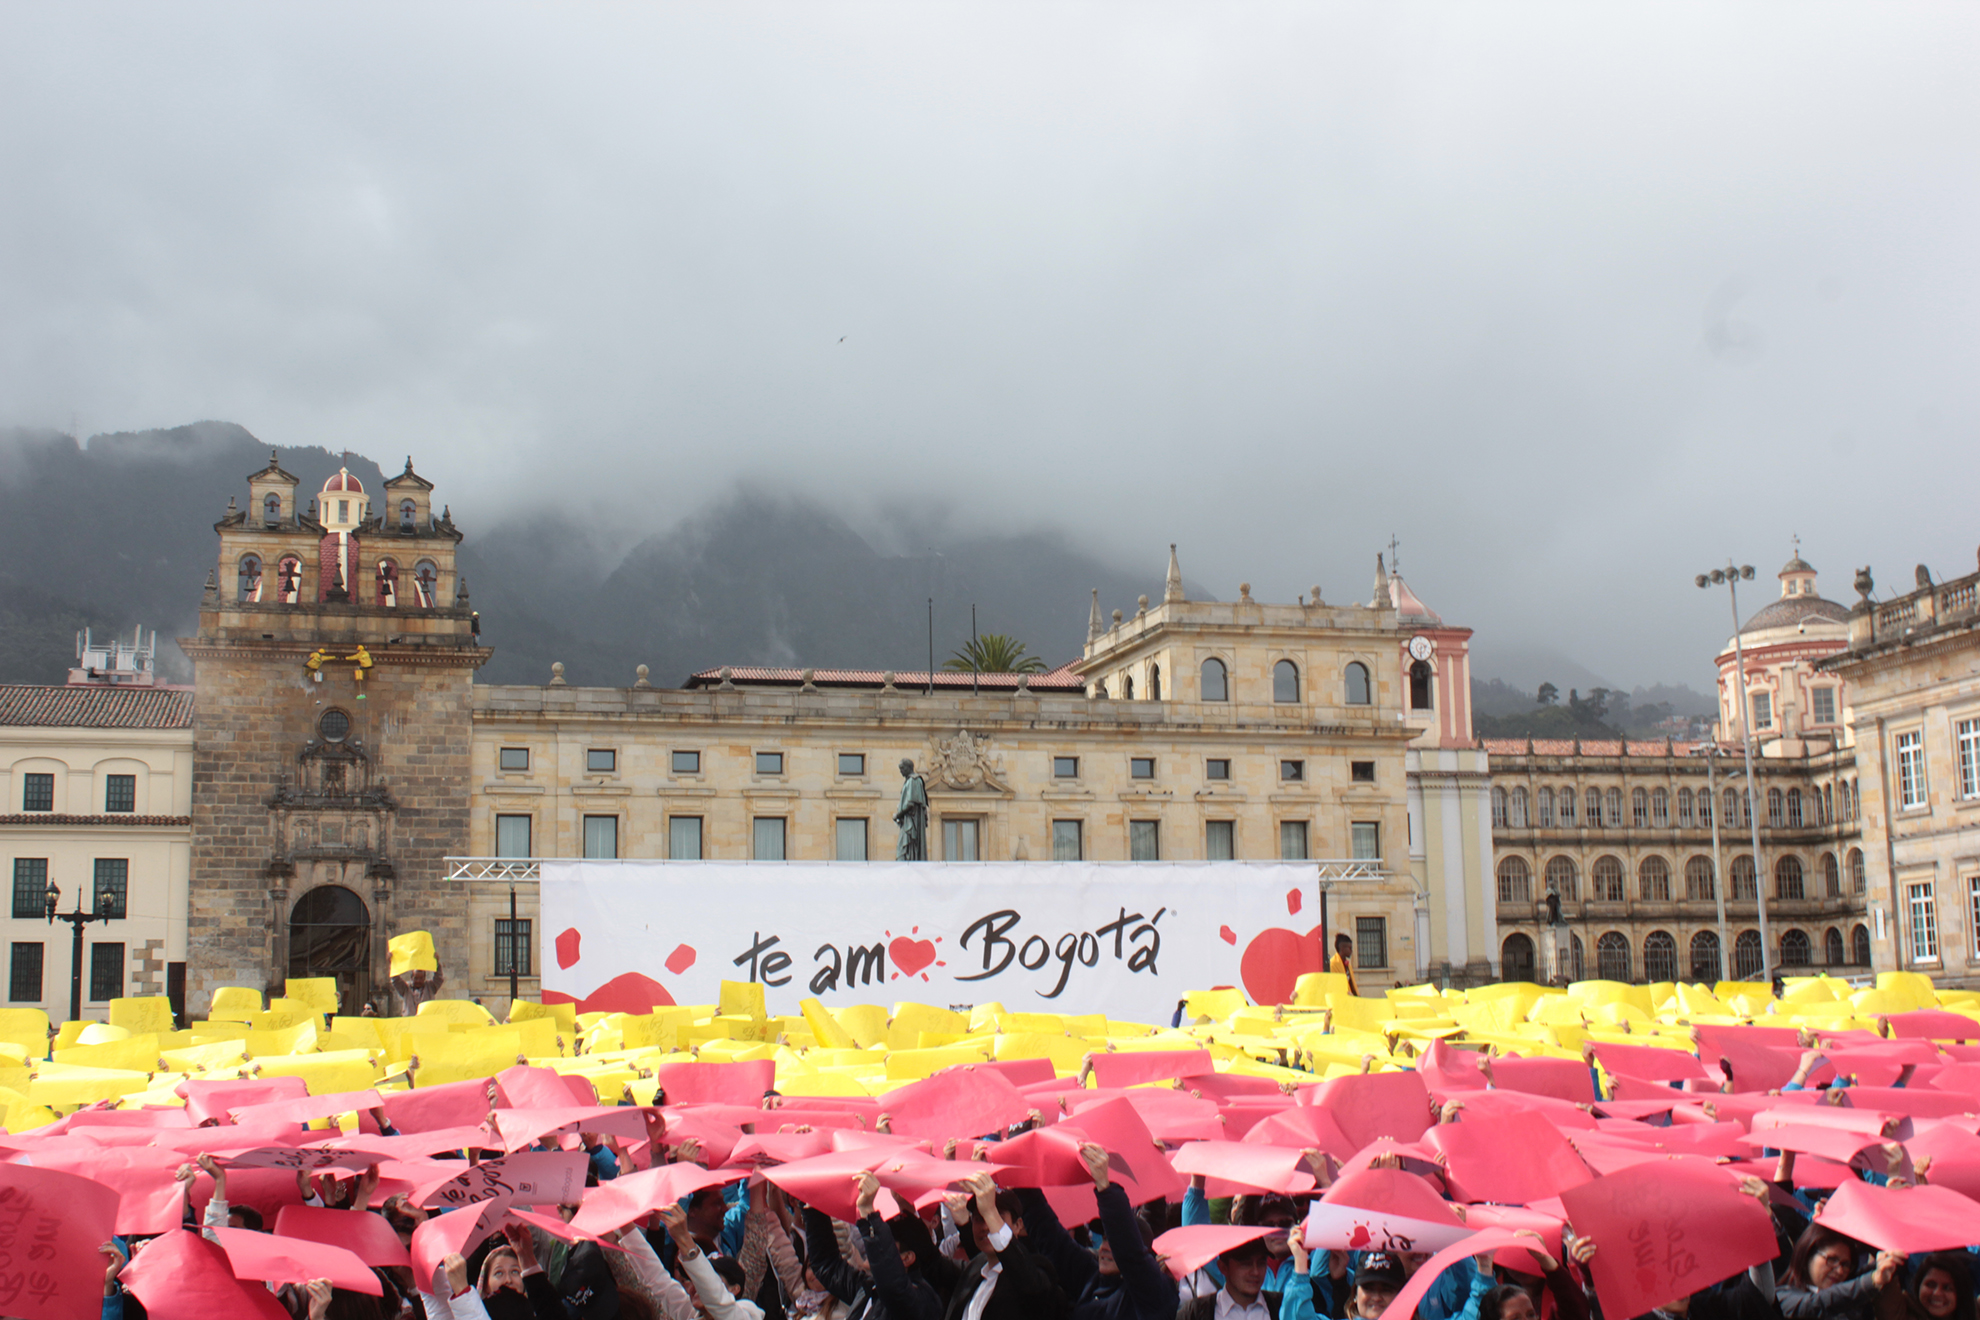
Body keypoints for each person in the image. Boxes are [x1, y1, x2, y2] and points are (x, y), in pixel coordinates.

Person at [1013, 1142, 1172, 1320]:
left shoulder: (1153, 1295)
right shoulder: (1091, 1279)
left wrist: (1105, 1187)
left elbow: (1130, 1252)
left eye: (1113, 1243)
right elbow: (1049, 1234)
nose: (1105, 1247)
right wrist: (1019, 1171)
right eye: (1104, 1239)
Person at [939, 1172, 1065, 1320]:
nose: (986, 1226)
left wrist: (990, 1211)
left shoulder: (1039, 1269)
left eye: (997, 1217)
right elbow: (932, 1263)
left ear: (1018, 1225)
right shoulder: (975, 1268)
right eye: (979, 1218)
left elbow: (1027, 1281)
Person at [1777, 1225, 1903, 1320]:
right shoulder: (1784, 1298)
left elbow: (1891, 1263)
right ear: (1807, 1255)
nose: (1840, 1270)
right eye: (1831, 1259)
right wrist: (1873, 1280)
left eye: (1845, 1264)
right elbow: (1817, 1304)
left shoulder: (1851, 1294)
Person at [1179, 1238, 1280, 1320]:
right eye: (1246, 1264)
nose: (1256, 1272)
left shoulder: (1282, 1306)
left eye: (1261, 1263)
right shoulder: (1195, 1312)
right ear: (1223, 1268)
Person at [1908, 1255, 1977, 1320]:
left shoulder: (1976, 1312)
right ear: (1918, 1285)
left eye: (1947, 1288)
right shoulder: (1902, 1312)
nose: (1937, 1293)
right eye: (1931, 1285)